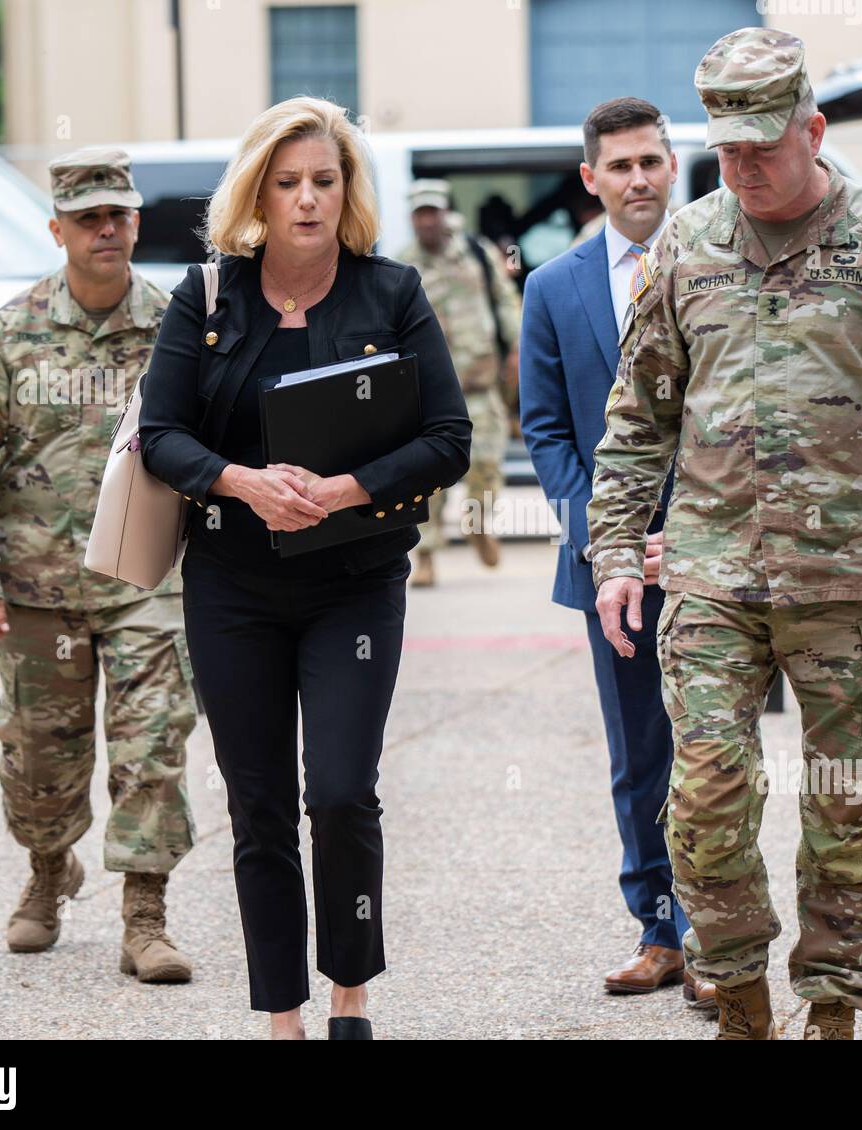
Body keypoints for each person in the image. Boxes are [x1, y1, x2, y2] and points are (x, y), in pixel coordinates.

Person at [587, 28, 862, 1040]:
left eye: (762, 148)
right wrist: (612, 551)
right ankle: (738, 1002)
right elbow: (636, 420)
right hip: (711, 581)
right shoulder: (686, 248)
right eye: (725, 150)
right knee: (702, 801)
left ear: (812, 130)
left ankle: (831, 1007)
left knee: (849, 813)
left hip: (850, 584)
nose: (740, 169)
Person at [138, 97, 470, 1040]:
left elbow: (449, 438)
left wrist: (344, 488)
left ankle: (350, 998)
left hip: (354, 584)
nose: (308, 200)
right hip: (232, 587)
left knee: (338, 791)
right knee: (260, 807)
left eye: (325, 181)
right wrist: (240, 480)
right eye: (287, 184)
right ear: (258, 192)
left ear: (347, 190)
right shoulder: (209, 298)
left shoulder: (391, 292)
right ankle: (282, 1016)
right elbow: (159, 434)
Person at [0, 148, 197, 982]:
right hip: (38, 582)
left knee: (153, 740)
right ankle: (49, 873)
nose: (107, 230)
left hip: (144, 579)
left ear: (136, 222)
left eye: (119, 215)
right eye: (89, 218)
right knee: (40, 760)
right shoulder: (8, 333)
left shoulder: (175, 327)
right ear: (58, 230)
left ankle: (145, 915)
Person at [521, 96, 714, 1012]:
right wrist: (608, 538)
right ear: (591, 178)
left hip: (717, 555)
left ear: (674, 167)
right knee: (639, 750)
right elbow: (547, 432)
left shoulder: (723, 264)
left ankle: (723, 935)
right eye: (620, 165)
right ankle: (659, 931)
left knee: (720, 751)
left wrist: (703, 526)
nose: (639, 179)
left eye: (653, 161)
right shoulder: (552, 289)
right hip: (614, 570)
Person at [396, 179, 521, 586]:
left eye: (433, 211)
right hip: (428, 395)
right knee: (429, 480)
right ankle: (427, 555)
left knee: (486, 467)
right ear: (412, 218)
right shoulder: (403, 266)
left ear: (444, 212)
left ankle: (478, 524)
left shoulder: (477, 253)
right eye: (420, 213)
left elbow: (503, 299)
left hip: (482, 386)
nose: (427, 220)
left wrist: (516, 345)